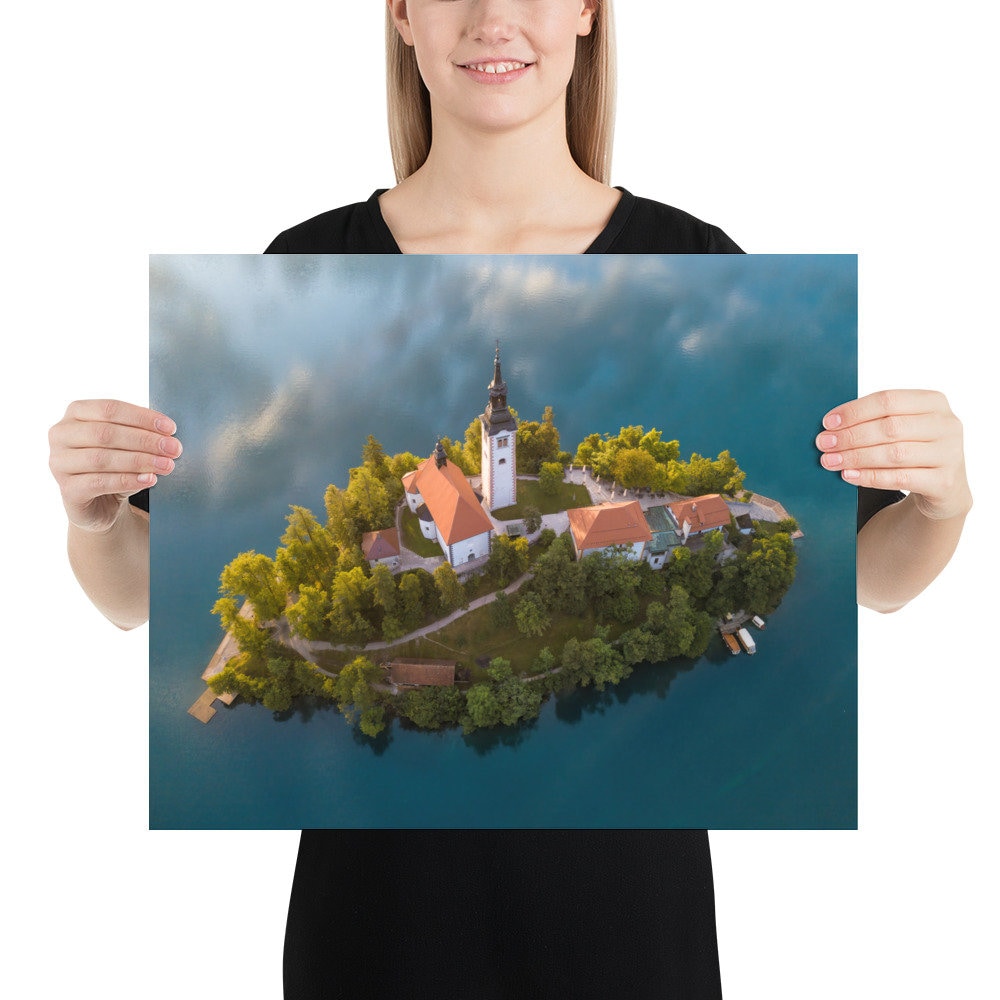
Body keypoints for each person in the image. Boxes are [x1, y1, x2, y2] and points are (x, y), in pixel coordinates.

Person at [47, 1, 972, 997]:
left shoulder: (695, 256)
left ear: (586, 13)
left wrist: (941, 505)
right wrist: (92, 518)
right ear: (403, 14)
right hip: (374, 936)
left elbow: (868, 581)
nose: (495, 15)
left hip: (628, 938)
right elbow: (142, 599)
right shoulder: (301, 266)